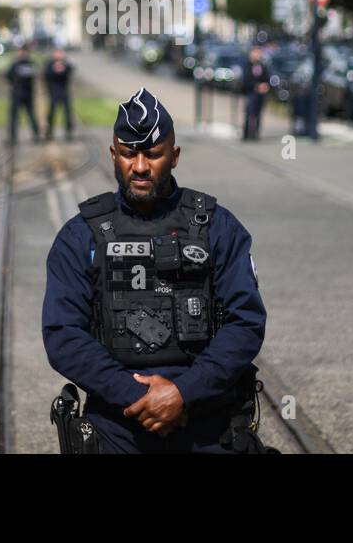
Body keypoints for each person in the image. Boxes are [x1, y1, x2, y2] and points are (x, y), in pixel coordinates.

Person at [42, 88, 269, 453]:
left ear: (174, 156)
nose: (141, 166)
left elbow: (245, 323)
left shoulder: (218, 228)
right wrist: (140, 397)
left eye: (153, 154)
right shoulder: (79, 236)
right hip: (118, 425)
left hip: (206, 423)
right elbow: (63, 335)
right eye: (130, 154)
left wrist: (183, 394)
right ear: (114, 155)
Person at [5, 46, 40, 144]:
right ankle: (13, 137)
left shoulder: (31, 64)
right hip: (17, 94)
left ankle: (36, 135)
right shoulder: (15, 64)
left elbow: (34, 76)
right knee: (14, 117)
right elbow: (8, 76)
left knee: (31, 115)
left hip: (27, 94)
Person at [43, 48, 75, 141]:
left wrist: (63, 67)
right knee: (52, 113)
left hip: (64, 91)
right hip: (54, 92)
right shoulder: (49, 64)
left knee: (67, 113)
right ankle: (49, 131)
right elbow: (46, 75)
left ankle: (68, 132)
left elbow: (71, 70)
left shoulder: (66, 63)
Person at [240, 47, 270, 141]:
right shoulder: (247, 65)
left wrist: (265, 86)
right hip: (251, 92)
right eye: (255, 53)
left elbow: (267, 77)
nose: (257, 55)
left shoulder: (263, 65)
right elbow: (246, 80)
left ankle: (255, 133)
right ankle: (246, 133)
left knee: (258, 114)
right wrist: (257, 86)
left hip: (261, 94)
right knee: (249, 113)